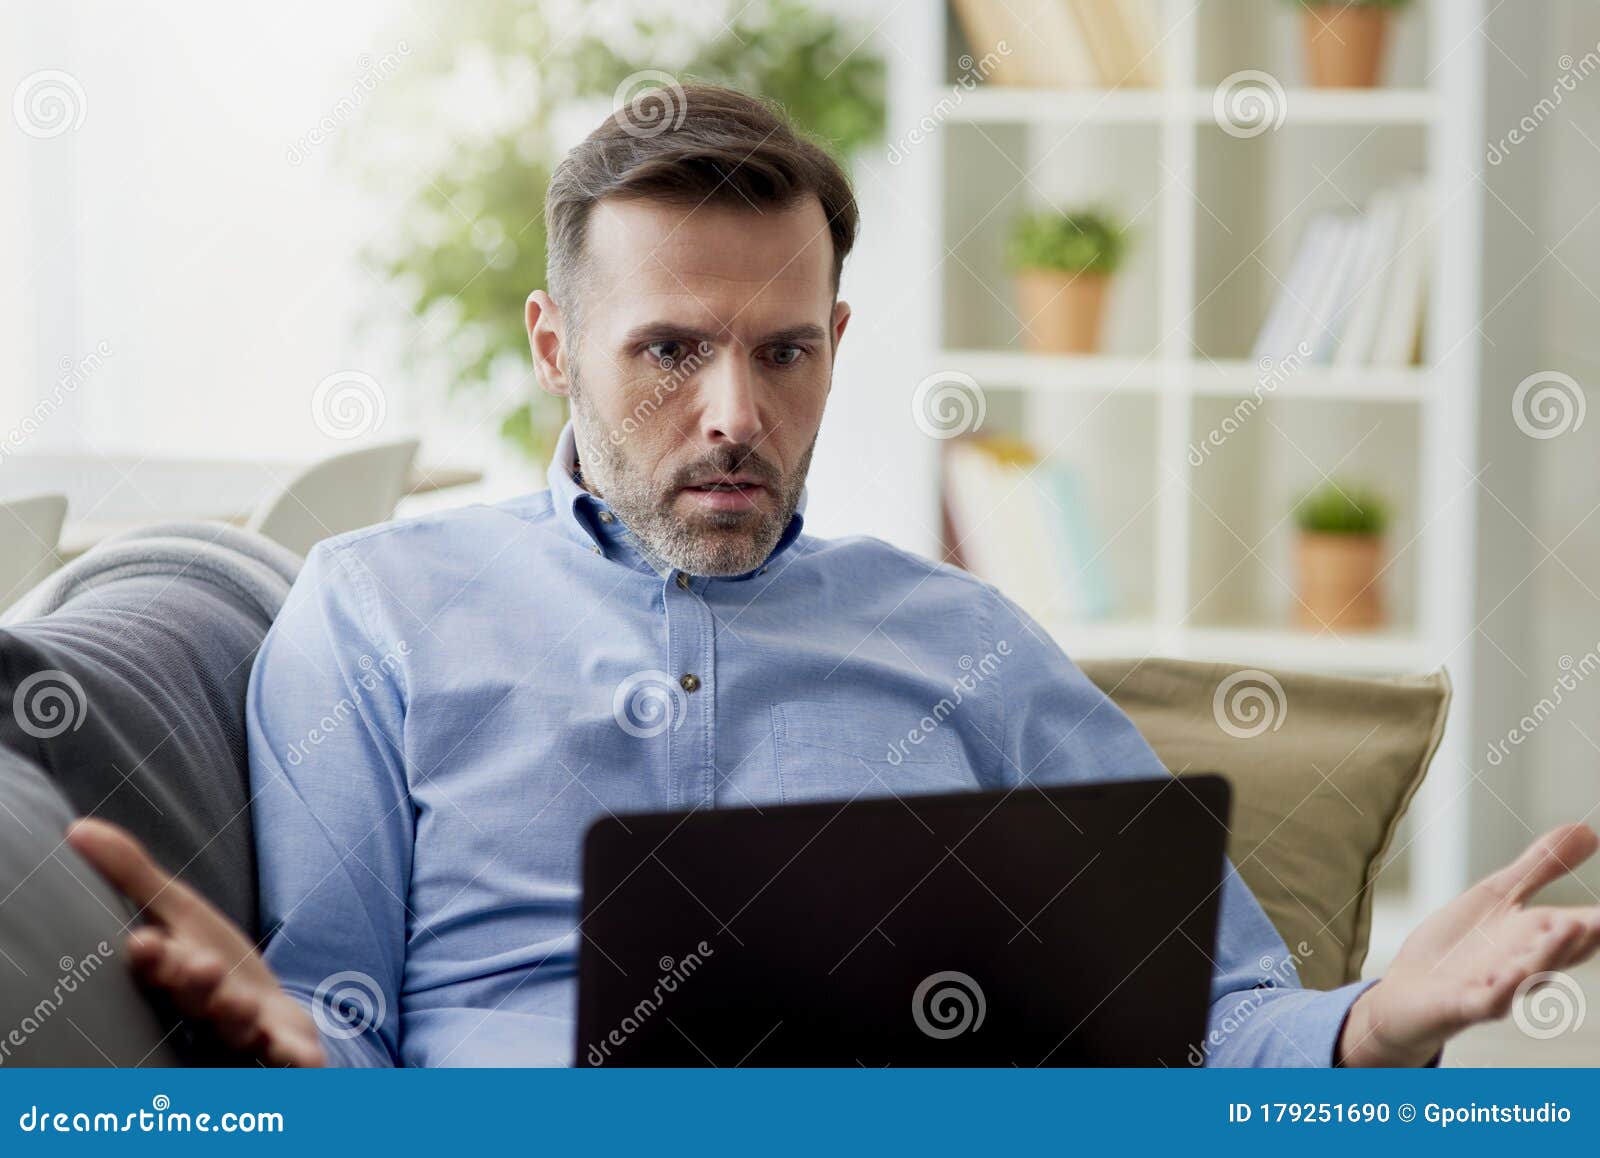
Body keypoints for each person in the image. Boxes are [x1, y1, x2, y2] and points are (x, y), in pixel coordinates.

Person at [69, 84, 1600, 1068]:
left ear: (836, 348)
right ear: (554, 349)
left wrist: (1375, 1020)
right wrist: (286, 1062)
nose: (735, 411)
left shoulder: (966, 637)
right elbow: (336, 1015)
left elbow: (1223, 1015)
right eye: (668, 350)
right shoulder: (374, 609)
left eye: (783, 351)